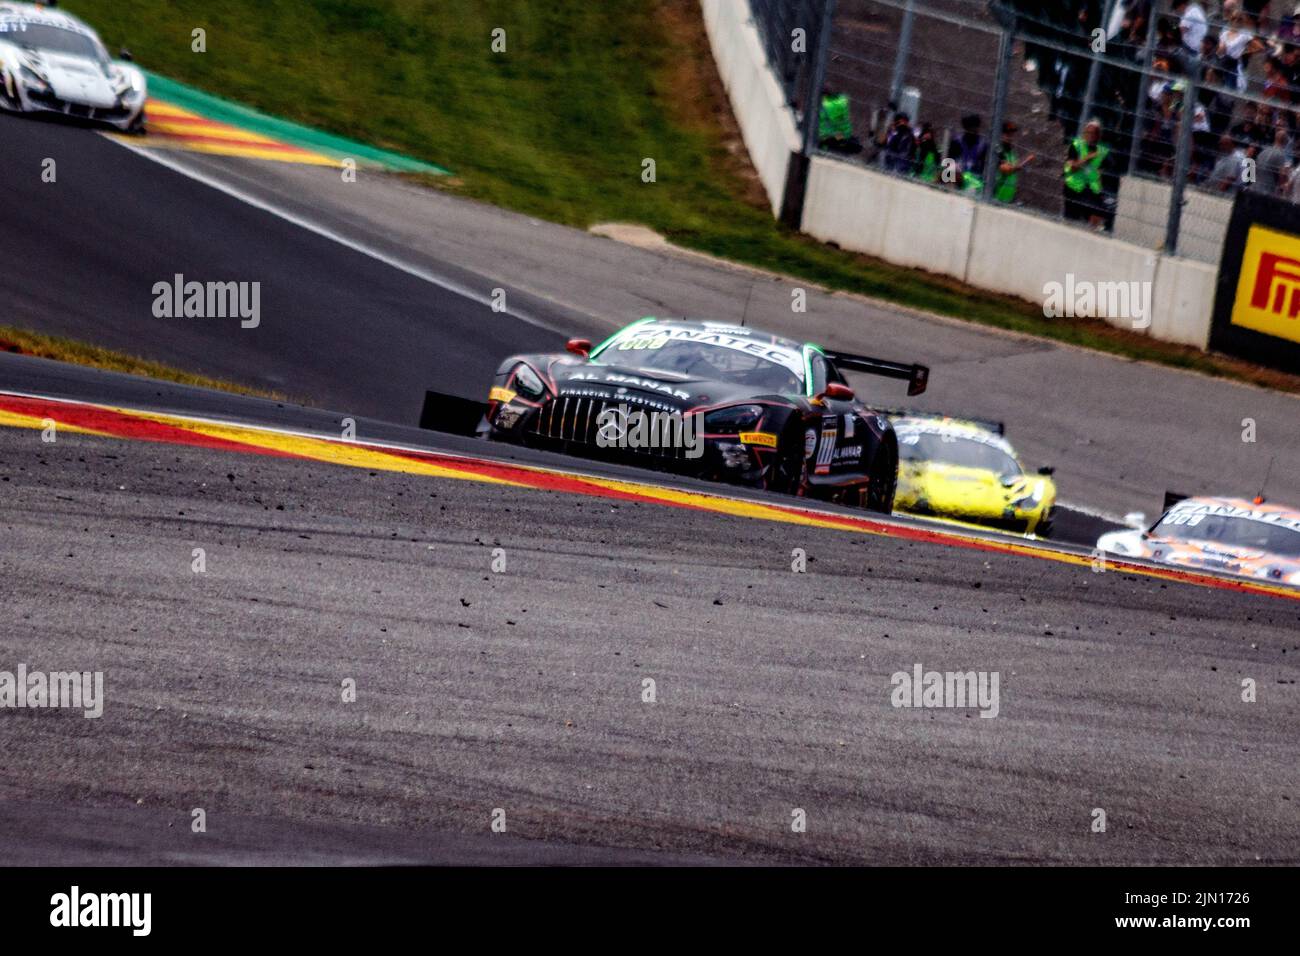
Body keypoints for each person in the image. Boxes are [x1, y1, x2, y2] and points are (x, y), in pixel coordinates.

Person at [1063, 119, 1111, 227]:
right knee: (1070, 222)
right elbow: (1072, 168)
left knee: (1097, 216)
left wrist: (1101, 188)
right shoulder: (1076, 146)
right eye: (1087, 133)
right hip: (1073, 189)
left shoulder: (1102, 151)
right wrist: (1087, 158)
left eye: (1092, 133)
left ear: (1097, 136)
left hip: (1091, 191)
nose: (1089, 136)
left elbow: (1107, 171)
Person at [994, 121, 1035, 202]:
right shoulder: (998, 150)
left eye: (1012, 134)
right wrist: (1026, 161)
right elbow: (1006, 169)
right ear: (1000, 135)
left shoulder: (1012, 152)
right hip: (996, 197)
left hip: (1008, 198)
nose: (1010, 137)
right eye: (1007, 134)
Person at [946, 114, 988, 192]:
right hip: (958, 177)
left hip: (974, 180)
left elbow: (983, 168)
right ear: (965, 128)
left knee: (971, 191)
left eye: (975, 127)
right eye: (970, 127)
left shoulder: (983, 145)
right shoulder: (956, 142)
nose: (973, 130)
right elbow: (949, 161)